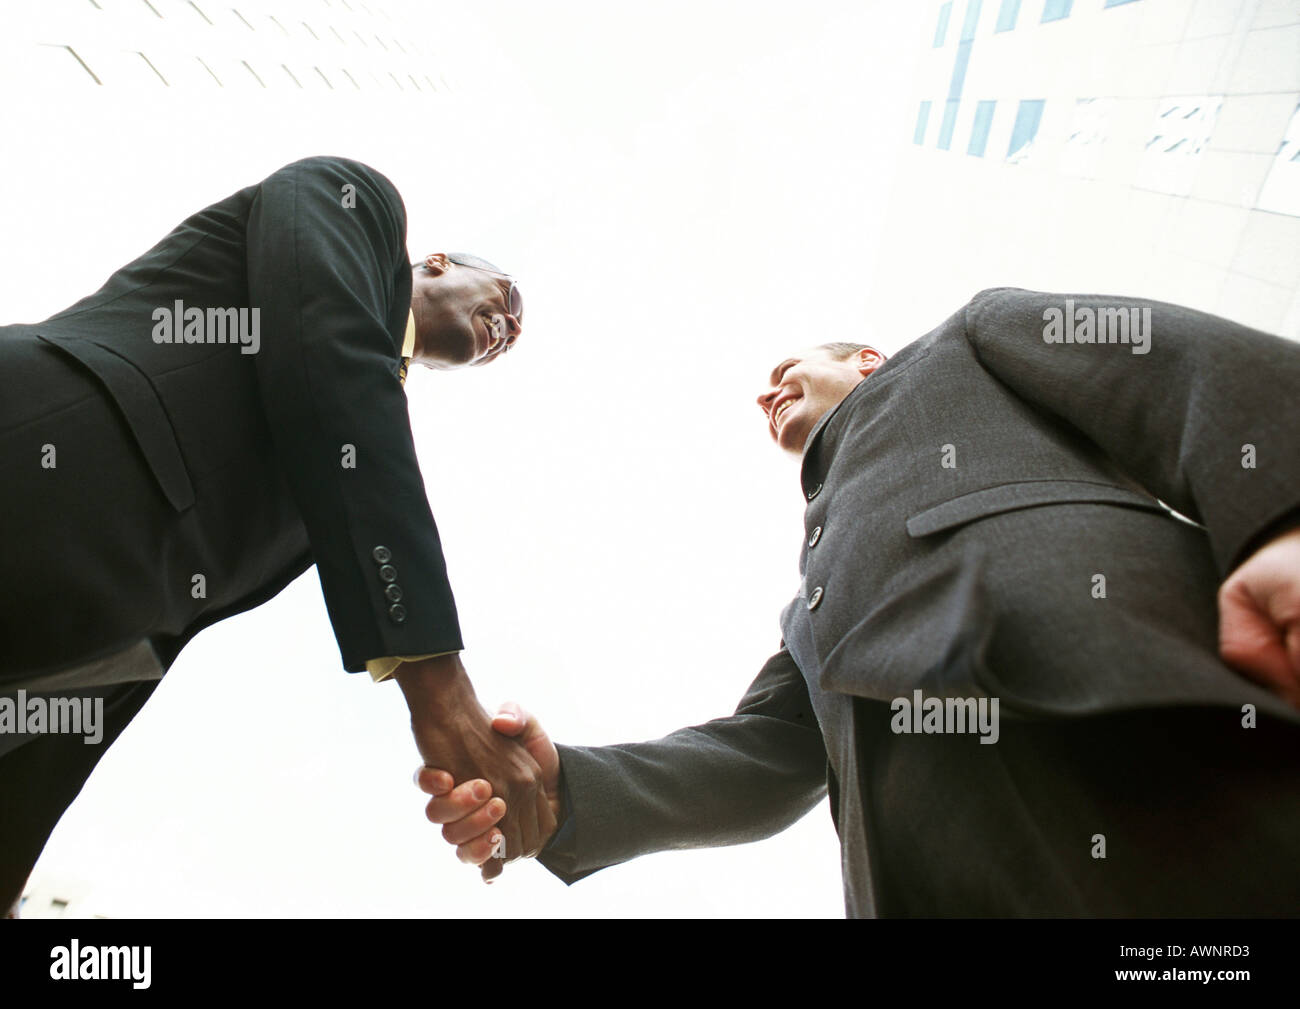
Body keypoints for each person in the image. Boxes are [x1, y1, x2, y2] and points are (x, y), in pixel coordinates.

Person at [419, 287, 1300, 916]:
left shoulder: (968, 340)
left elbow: (1175, 370)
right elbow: (765, 758)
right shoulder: (809, 604)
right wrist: (565, 792)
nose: (768, 393)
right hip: (932, 880)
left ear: (867, 360)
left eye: (786, 369)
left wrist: (1285, 520)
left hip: (1140, 734)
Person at [0, 155, 553, 915]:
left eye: (513, 336)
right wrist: (441, 689)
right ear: (436, 261)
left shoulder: (347, 459)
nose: (511, 326)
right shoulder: (354, 204)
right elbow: (326, 348)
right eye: (508, 297)